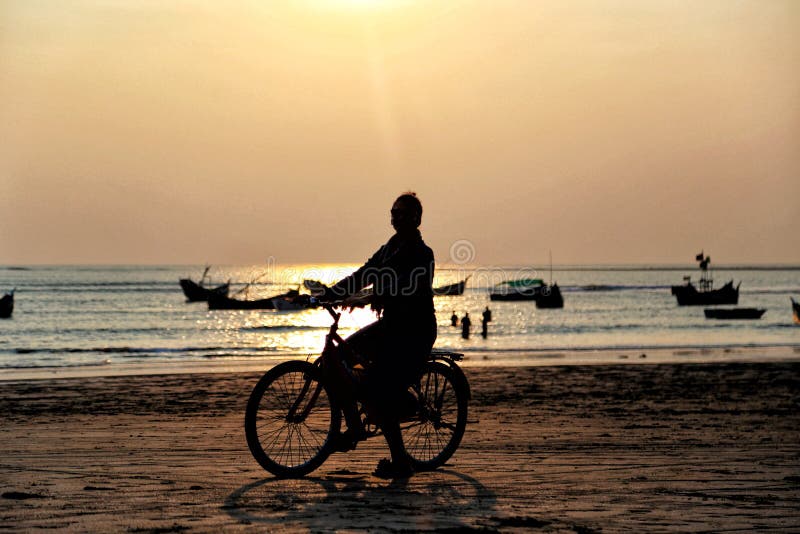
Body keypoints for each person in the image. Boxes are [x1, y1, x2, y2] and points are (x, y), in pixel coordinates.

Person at [318, 192, 436, 479]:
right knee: (335, 360)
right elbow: (364, 273)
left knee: (381, 390)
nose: (397, 217)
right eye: (393, 212)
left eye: (403, 213)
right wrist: (332, 293)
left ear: (417, 219)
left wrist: (367, 298)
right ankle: (355, 427)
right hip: (390, 327)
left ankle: (401, 462)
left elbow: (406, 288)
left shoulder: (423, 254)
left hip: (414, 331)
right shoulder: (389, 248)